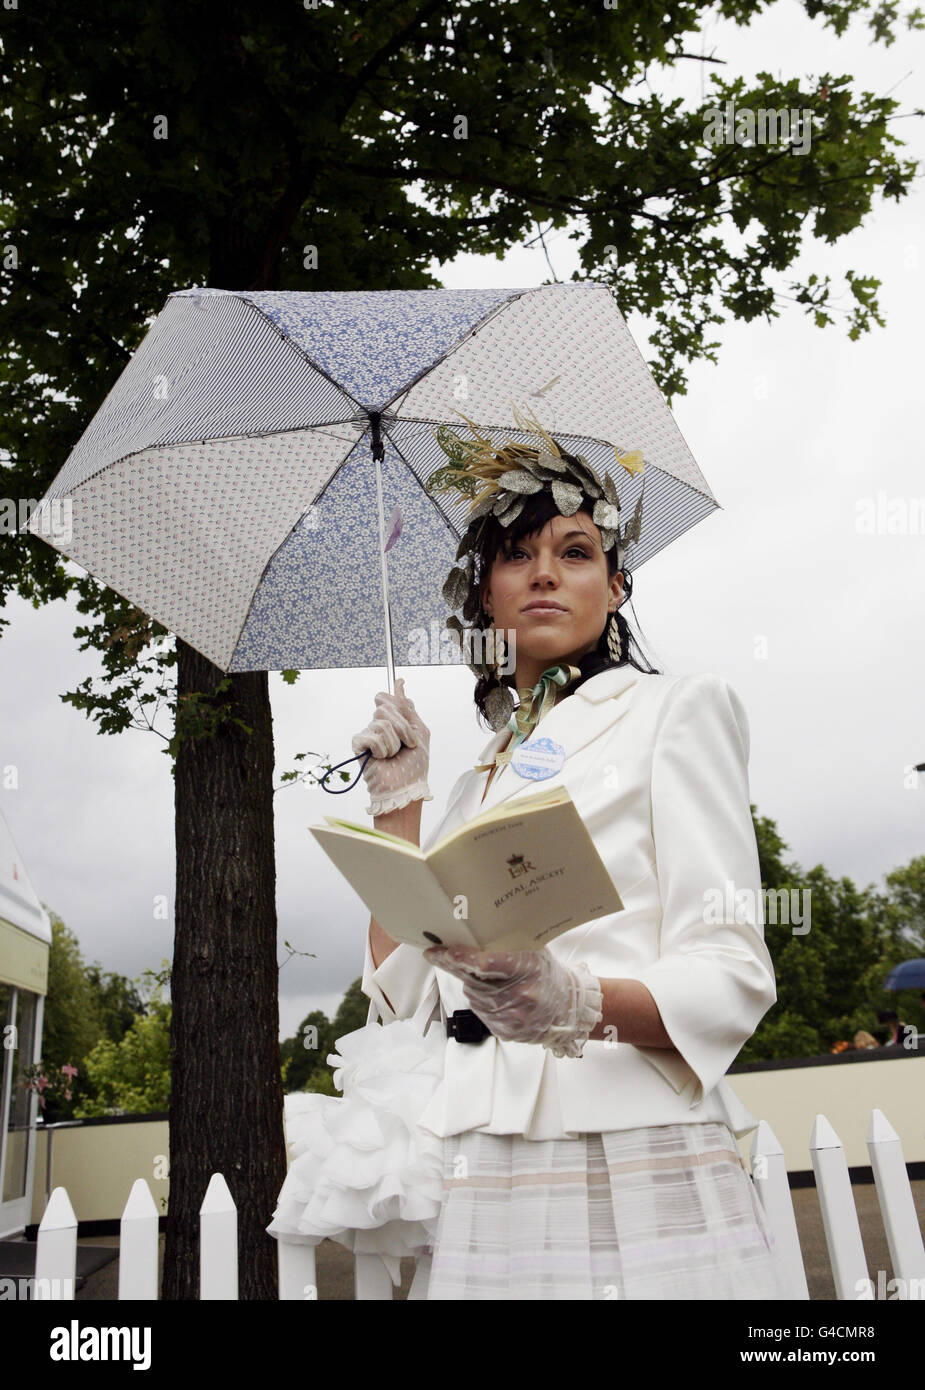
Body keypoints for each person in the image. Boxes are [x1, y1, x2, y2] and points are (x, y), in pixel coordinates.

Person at [346, 411, 793, 1300]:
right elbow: (402, 983)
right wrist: (401, 804)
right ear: (483, 595)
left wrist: (576, 1000)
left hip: (626, 1143)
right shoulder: (477, 776)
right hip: (478, 1156)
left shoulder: (675, 711)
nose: (544, 573)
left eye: (576, 551)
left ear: (617, 588)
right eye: (516, 555)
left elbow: (732, 967)